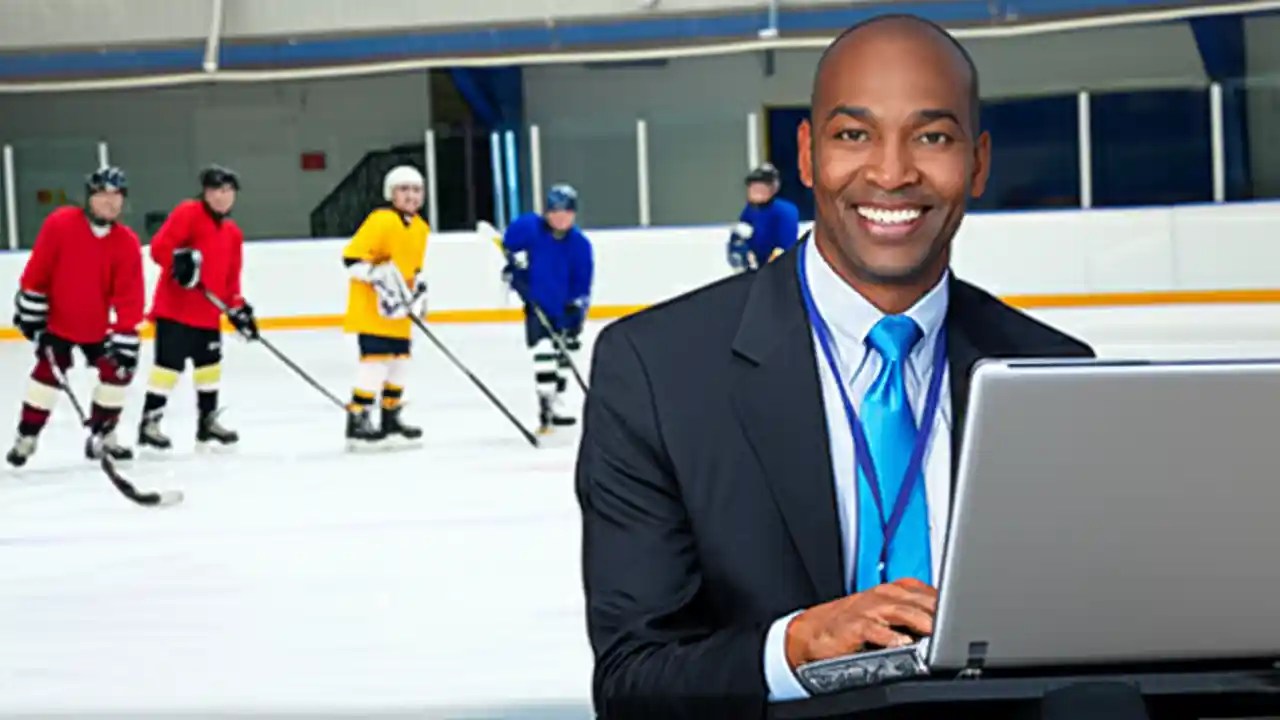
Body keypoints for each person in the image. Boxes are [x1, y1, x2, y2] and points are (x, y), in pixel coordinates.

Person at [574, 14, 1095, 719]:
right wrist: (795, 645)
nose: (891, 172)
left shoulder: (1053, 373)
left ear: (977, 162)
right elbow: (635, 682)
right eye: (854, 135)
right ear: (808, 154)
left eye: (933, 136)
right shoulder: (657, 372)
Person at [5, 166, 144, 467]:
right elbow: (37, 271)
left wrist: (125, 333)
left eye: (117, 195)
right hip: (58, 322)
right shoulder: (61, 224)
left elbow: (129, 296)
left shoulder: (126, 242)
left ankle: (103, 435)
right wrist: (31, 312)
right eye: (103, 194)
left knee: (118, 373)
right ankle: (27, 436)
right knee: (47, 375)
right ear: (89, 197)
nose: (110, 202)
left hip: (98, 326)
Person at [138, 164, 259, 451]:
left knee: (209, 368)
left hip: (208, 315)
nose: (223, 196)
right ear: (205, 192)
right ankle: (150, 423)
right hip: (175, 311)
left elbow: (231, 280)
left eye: (229, 191)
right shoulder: (188, 212)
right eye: (217, 190)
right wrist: (179, 263)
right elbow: (158, 248)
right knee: (167, 369)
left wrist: (238, 309)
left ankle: (207, 423)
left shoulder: (232, 233)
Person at [340, 164, 430, 448]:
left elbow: (413, 269)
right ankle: (358, 419)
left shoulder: (420, 227)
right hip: (373, 311)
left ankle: (391, 417)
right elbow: (352, 259)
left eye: (416, 190)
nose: (411, 195)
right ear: (391, 193)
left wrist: (416, 294)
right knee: (375, 365)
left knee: (399, 364)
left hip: (400, 312)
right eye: (404, 189)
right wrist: (379, 278)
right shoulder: (381, 220)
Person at [501, 184, 594, 434]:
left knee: (564, 358)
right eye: (554, 210)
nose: (560, 216)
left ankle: (557, 403)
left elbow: (582, 280)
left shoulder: (580, 245)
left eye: (565, 211)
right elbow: (510, 246)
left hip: (566, 310)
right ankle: (545, 402)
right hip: (538, 307)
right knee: (543, 352)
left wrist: (577, 308)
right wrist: (514, 269)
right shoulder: (530, 229)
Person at [727, 163, 801, 273]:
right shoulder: (749, 211)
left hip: (777, 272)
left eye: (762, 185)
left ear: (774, 188)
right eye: (753, 185)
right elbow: (738, 245)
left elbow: (785, 247)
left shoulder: (785, 211)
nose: (756, 190)